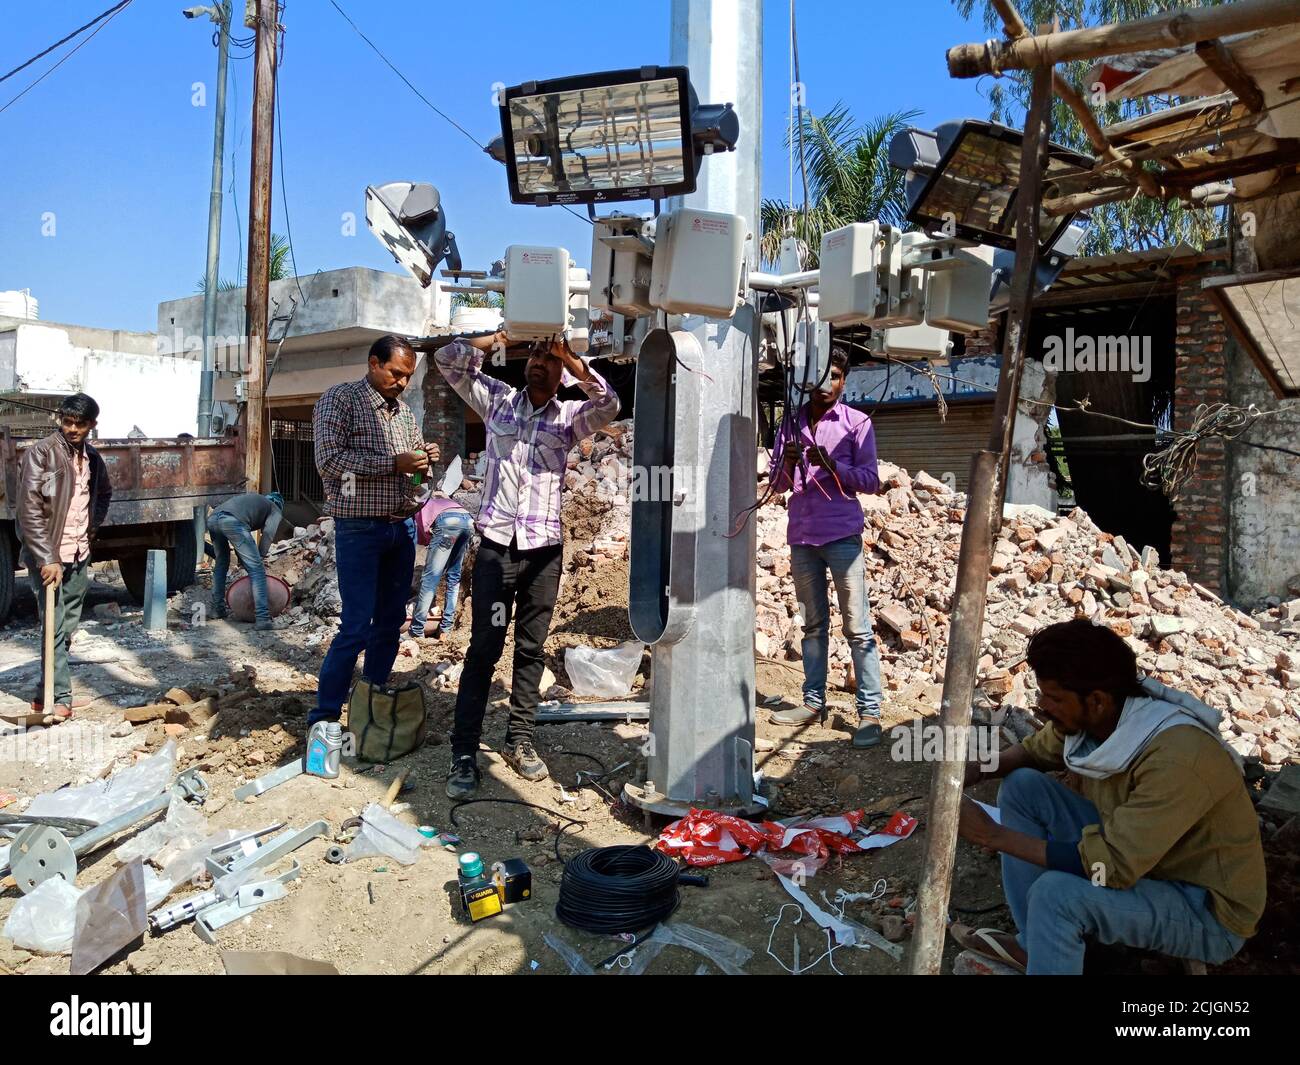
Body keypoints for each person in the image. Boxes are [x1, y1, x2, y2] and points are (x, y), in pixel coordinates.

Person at [954, 619, 1265, 975]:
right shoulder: (1102, 718)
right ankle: (1037, 944)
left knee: (1055, 895)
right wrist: (978, 768)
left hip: (1202, 906)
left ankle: (1052, 946)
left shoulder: (1177, 757)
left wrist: (991, 835)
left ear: (1097, 701)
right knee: (1023, 786)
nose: (1042, 706)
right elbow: (1034, 752)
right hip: (1146, 856)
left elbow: (1111, 865)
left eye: (1053, 698)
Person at [435, 332, 620, 797]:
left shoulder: (571, 417)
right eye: (536, 355)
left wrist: (574, 361)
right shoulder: (496, 400)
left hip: (543, 552)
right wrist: (506, 334)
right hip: (498, 546)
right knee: (483, 650)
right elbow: (447, 359)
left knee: (531, 650)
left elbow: (610, 404)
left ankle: (520, 741)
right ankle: (463, 752)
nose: (540, 363)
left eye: (550, 359)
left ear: (561, 373)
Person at [310, 334, 439, 726]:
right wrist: (394, 463)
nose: (401, 382)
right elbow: (330, 462)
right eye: (396, 373)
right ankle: (325, 717)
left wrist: (423, 464)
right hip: (359, 530)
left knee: (388, 626)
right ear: (373, 363)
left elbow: (415, 478)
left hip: (400, 530)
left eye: (407, 377)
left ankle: (371, 706)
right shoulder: (340, 400)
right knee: (355, 627)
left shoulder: (403, 414)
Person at [768, 347, 885, 747]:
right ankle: (813, 703)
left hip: (842, 537)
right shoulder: (791, 423)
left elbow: (871, 481)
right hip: (802, 538)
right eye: (821, 377)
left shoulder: (857, 423)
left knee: (858, 627)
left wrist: (835, 466)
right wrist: (788, 460)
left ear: (844, 381)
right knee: (813, 626)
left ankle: (869, 713)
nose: (827, 385)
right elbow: (778, 486)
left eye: (835, 376)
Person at [16, 393, 112, 722]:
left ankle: (45, 691)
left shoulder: (93, 458)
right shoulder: (40, 454)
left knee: (66, 627)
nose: (72, 429)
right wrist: (46, 557)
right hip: (48, 556)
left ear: (91, 425)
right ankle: (60, 697)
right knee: (52, 625)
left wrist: (91, 528)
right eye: (67, 422)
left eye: (80, 424)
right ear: (60, 419)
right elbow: (28, 509)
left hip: (79, 552)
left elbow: (104, 493)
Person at [208, 490, 284, 629]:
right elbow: (268, 533)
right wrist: (260, 556)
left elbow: (241, 537)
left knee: (221, 564)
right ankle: (263, 619)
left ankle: (217, 609)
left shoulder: (256, 502)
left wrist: (243, 559)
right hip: (232, 520)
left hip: (213, 519)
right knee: (257, 570)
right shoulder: (275, 508)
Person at [410, 491, 473, 639]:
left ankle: (417, 629)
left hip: (448, 524)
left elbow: (421, 536)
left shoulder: (417, 507)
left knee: (431, 577)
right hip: (468, 522)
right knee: (454, 576)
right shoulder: (439, 501)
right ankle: (446, 629)